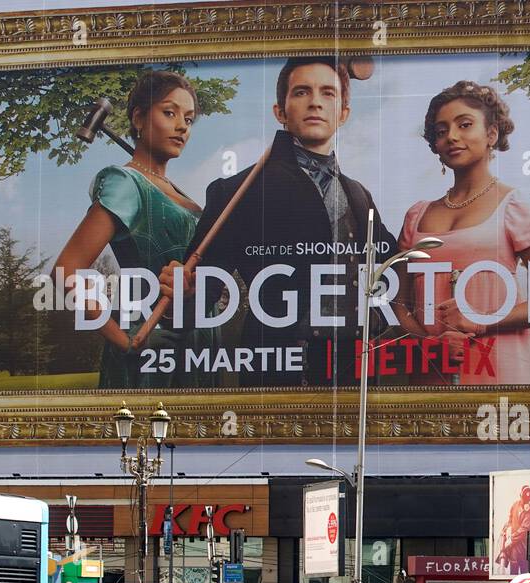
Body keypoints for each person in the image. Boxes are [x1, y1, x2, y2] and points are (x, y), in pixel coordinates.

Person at [159, 57, 396, 388]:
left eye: (328, 93)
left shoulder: (359, 194)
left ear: (343, 114)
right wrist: (180, 297)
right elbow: (198, 300)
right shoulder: (237, 191)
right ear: (280, 112)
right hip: (280, 370)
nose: (315, 101)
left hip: (358, 372)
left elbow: (394, 269)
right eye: (301, 92)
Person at [395, 80, 530, 385]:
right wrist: (427, 343)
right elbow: (399, 304)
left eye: (464, 125)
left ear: (491, 134)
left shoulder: (516, 204)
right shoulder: (416, 215)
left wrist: (481, 321)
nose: (452, 136)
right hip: (430, 374)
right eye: (441, 130)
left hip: (500, 371)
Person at [56, 70, 215, 389]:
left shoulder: (176, 191)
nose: (182, 126)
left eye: (189, 118)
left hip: (197, 342)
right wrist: (124, 340)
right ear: (139, 118)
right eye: (169, 113)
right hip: (152, 344)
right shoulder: (125, 182)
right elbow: (66, 271)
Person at [495, 484, 530, 575]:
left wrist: (512, 538)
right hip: (514, 547)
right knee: (513, 570)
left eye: (528, 499)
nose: (526, 502)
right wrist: (506, 530)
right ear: (521, 496)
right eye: (525, 498)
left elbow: (524, 529)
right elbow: (510, 520)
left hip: (524, 545)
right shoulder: (515, 505)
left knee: (524, 571)